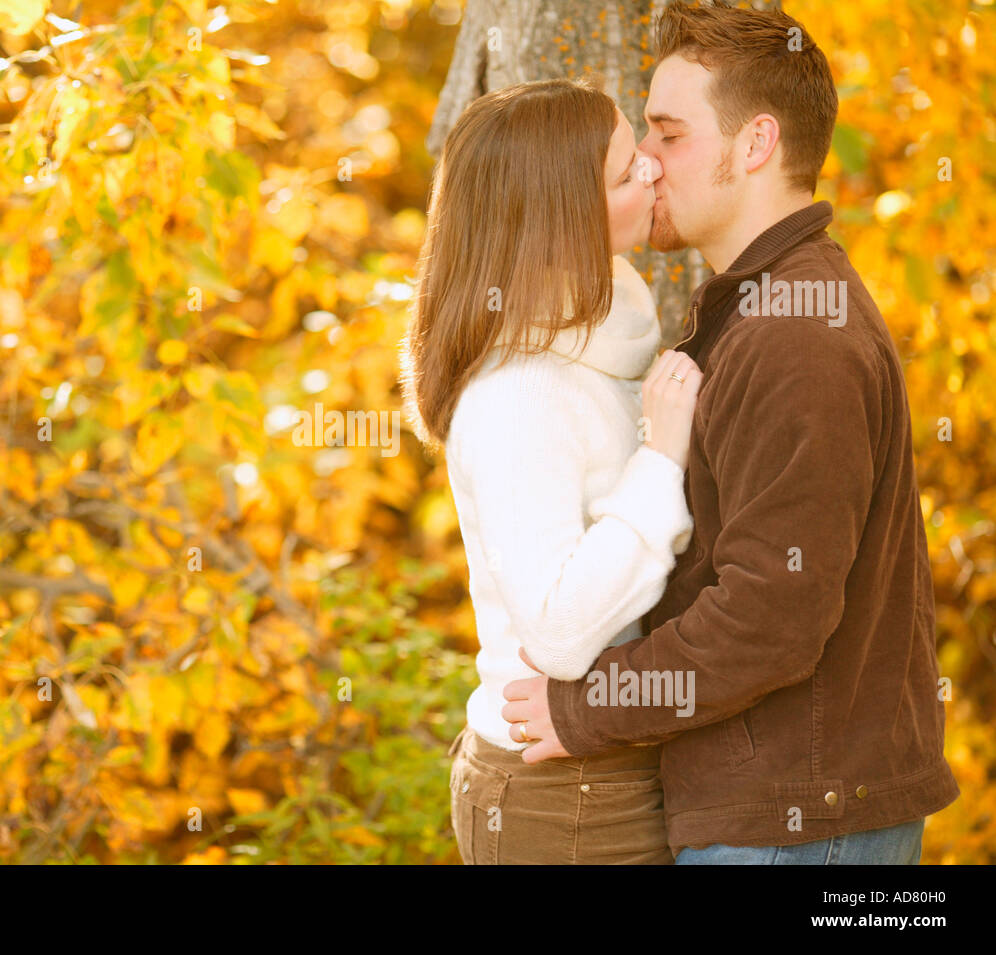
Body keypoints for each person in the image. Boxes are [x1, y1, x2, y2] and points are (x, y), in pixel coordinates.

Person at [501, 0, 960, 865]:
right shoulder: (759, 305)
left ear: (754, 145)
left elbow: (770, 617)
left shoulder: (792, 335)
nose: (645, 158)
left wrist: (586, 707)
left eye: (670, 133)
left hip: (799, 821)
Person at [401, 76, 703, 863]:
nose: (652, 167)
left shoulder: (600, 336)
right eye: (623, 169)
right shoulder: (519, 395)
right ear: (562, 217)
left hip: (609, 755)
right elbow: (560, 632)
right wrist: (661, 458)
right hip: (564, 796)